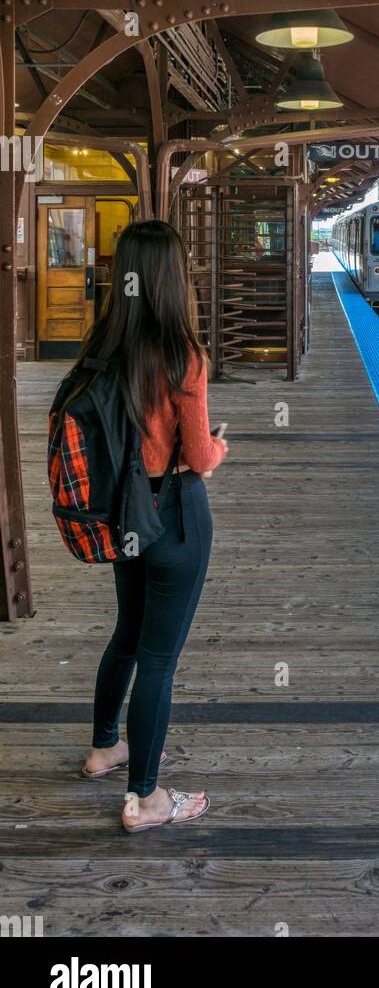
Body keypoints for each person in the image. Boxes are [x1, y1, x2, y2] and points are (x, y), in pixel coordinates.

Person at [65, 220, 228, 832]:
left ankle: (105, 746)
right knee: (159, 660)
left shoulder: (101, 348)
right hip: (175, 518)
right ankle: (146, 798)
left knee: (127, 636)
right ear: (172, 279)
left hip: (123, 518)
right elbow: (199, 455)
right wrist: (218, 448)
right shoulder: (183, 355)